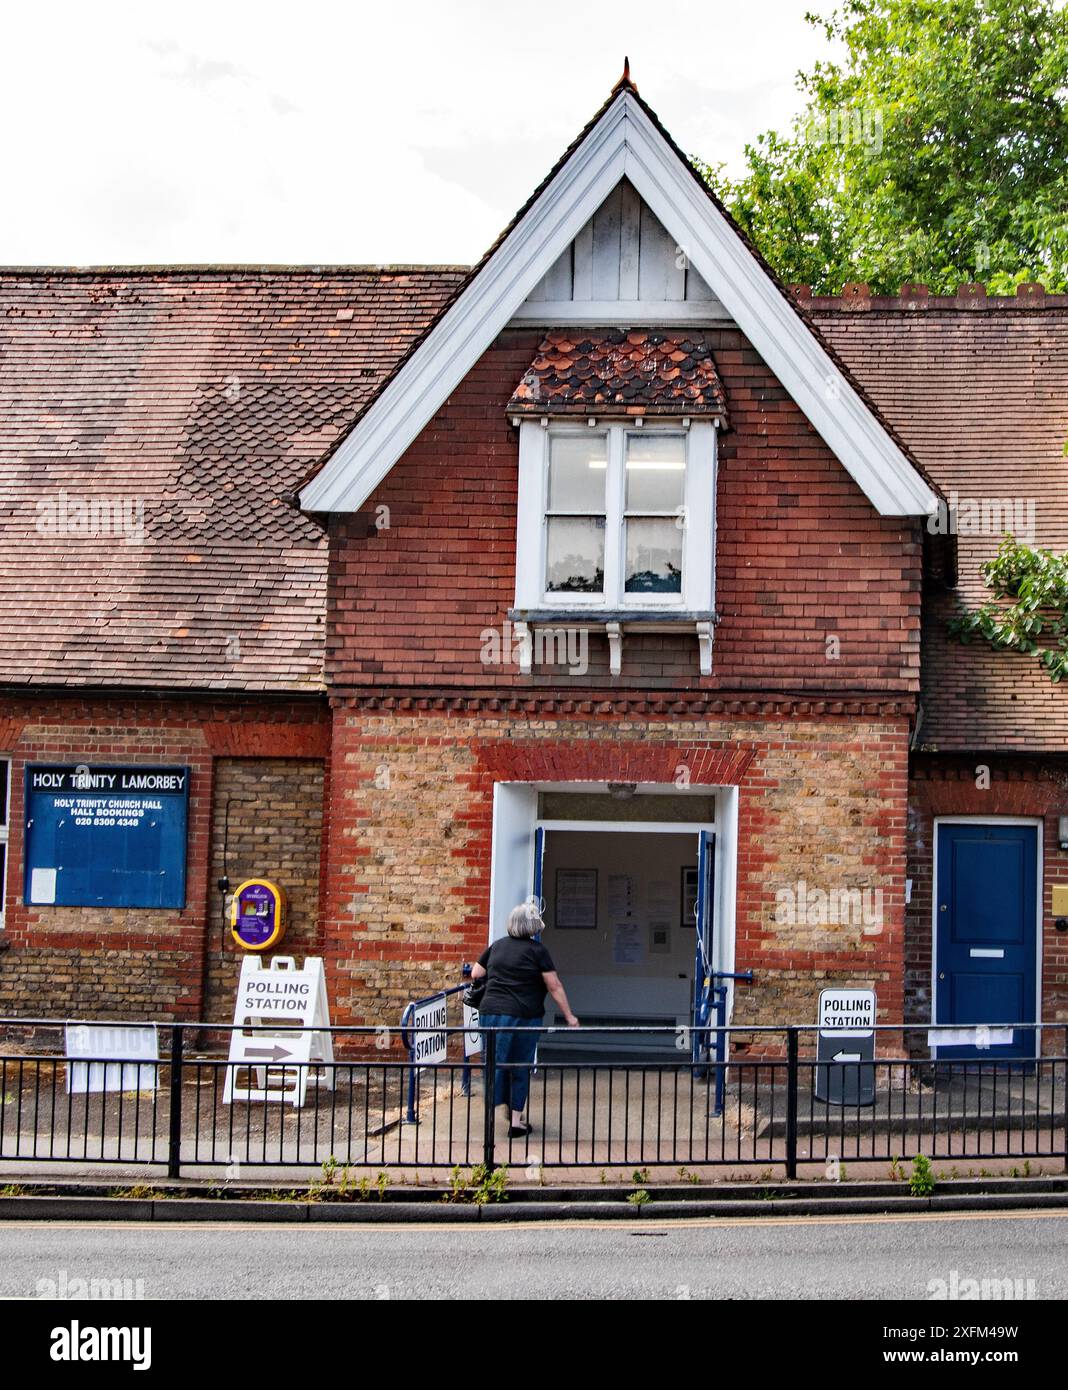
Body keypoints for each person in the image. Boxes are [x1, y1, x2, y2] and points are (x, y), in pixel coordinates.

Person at [471, 901, 579, 1137]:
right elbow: (554, 985)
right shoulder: (538, 951)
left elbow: (476, 973)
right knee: (520, 1064)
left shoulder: (497, 946)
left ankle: (493, 1113)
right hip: (522, 1015)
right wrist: (569, 1016)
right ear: (532, 926)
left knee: (494, 1062)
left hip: (490, 1013)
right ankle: (516, 1122)